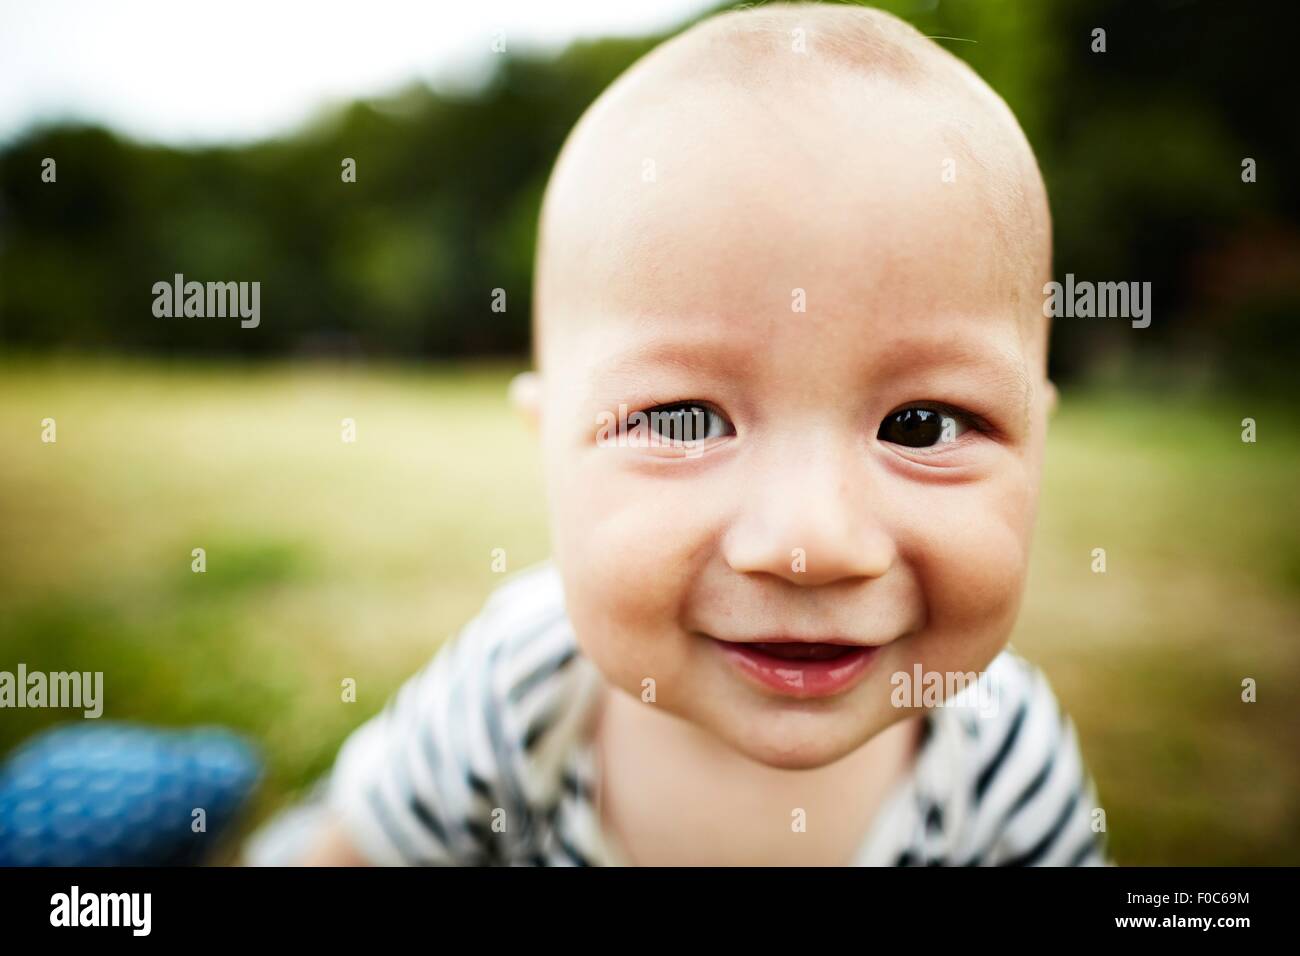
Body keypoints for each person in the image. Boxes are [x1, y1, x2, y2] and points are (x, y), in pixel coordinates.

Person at [252, 2, 1108, 867]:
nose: (809, 542)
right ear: (546, 448)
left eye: (921, 427)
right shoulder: (515, 693)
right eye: (684, 419)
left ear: (1036, 449)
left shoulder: (1002, 762)